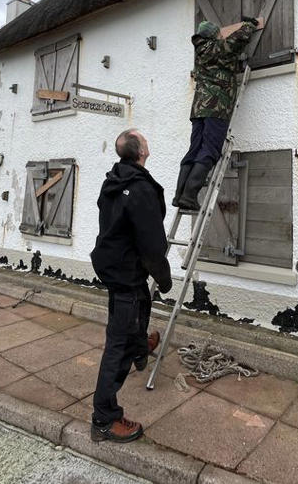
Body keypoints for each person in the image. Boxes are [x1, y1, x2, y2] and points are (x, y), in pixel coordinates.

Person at [89, 129, 173, 443]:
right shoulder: (138, 189)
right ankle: (104, 419)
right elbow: (152, 245)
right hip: (125, 271)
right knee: (117, 344)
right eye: (145, 141)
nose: (149, 144)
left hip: (115, 266)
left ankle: (141, 347)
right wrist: (164, 280)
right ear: (139, 152)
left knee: (141, 303)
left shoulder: (114, 180)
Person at [172, 16, 263, 211]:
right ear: (213, 36)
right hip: (216, 107)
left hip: (199, 109)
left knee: (194, 149)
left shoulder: (201, 50)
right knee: (210, 150)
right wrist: (250, 25)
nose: (221, 36)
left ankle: (179, 195)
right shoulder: (215, 49)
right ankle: (189, 196)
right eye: (219, 34)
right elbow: (237, 40)